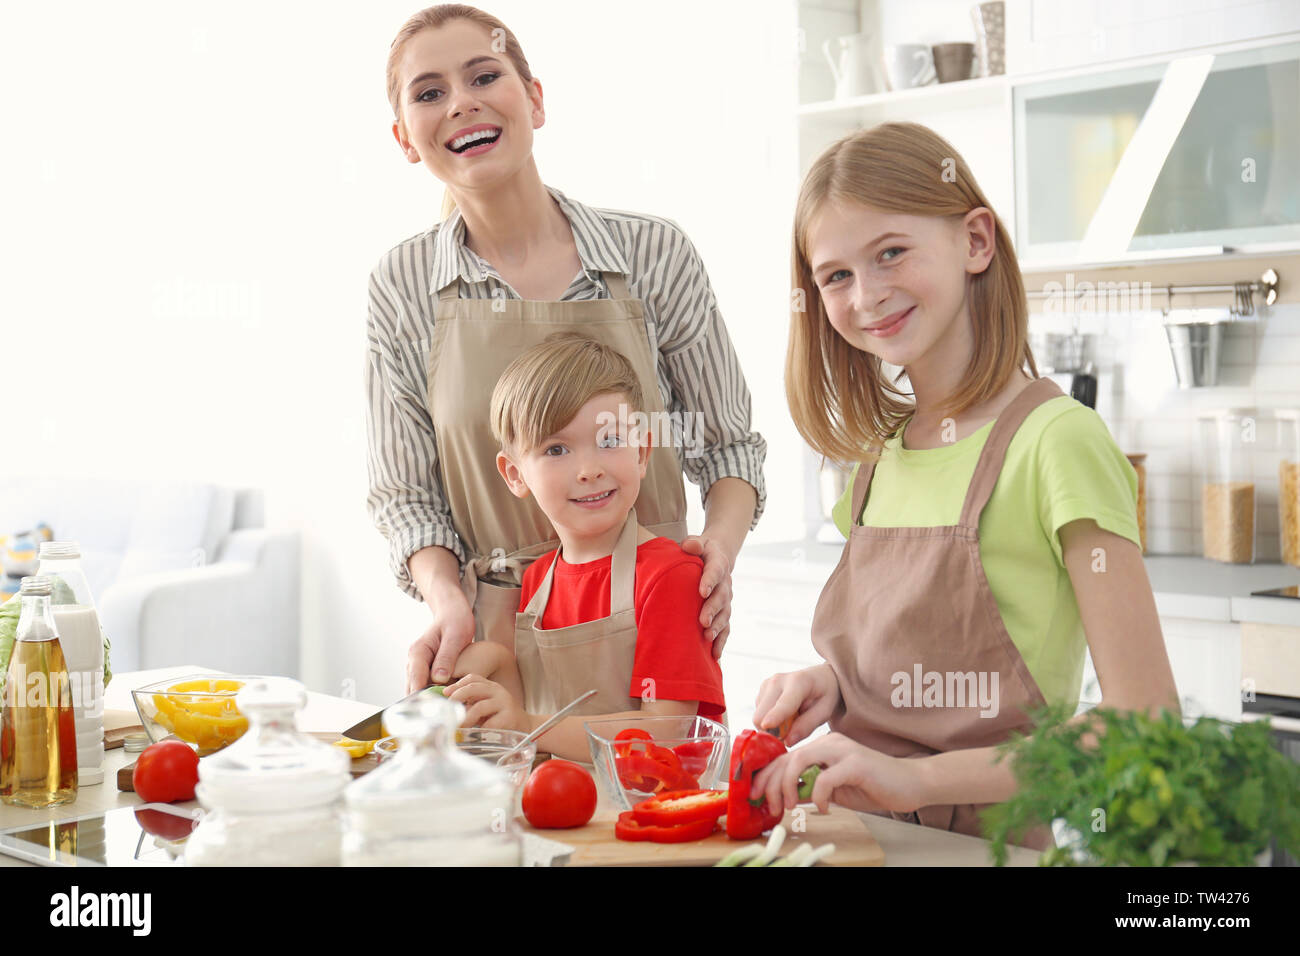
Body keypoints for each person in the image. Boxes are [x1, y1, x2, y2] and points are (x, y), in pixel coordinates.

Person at [750, 122, 1180, 849]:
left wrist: (916, 780)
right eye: (837, 276)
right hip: (854, 840)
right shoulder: (875, 461)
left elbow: (1144, 723)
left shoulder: (1056, 442)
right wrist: (834, 686)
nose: (868, 294)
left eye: (890, 252)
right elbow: (910, 679)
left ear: (976, 242)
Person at [365, 4, 765, 694]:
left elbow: (728, 448)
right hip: (495, 645)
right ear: (406, 138)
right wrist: (447, 603)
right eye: (430, 93)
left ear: (535, 100)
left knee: (651, 793)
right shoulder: (401, 286)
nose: (461, 103)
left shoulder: (652, 254)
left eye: (484, 75)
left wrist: (717, 557)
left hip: (652, 618)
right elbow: (407, 499)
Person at [433, 333, 726, 763]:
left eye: (610, 441)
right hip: (565, 810)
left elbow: (665, 734)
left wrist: (523, 724)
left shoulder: (672, 577)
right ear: (515, 475)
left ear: (642, 452)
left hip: (654, 810)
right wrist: (462, 672)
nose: (589, 469)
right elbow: (520, 704)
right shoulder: (536, 581)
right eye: (556, 449)